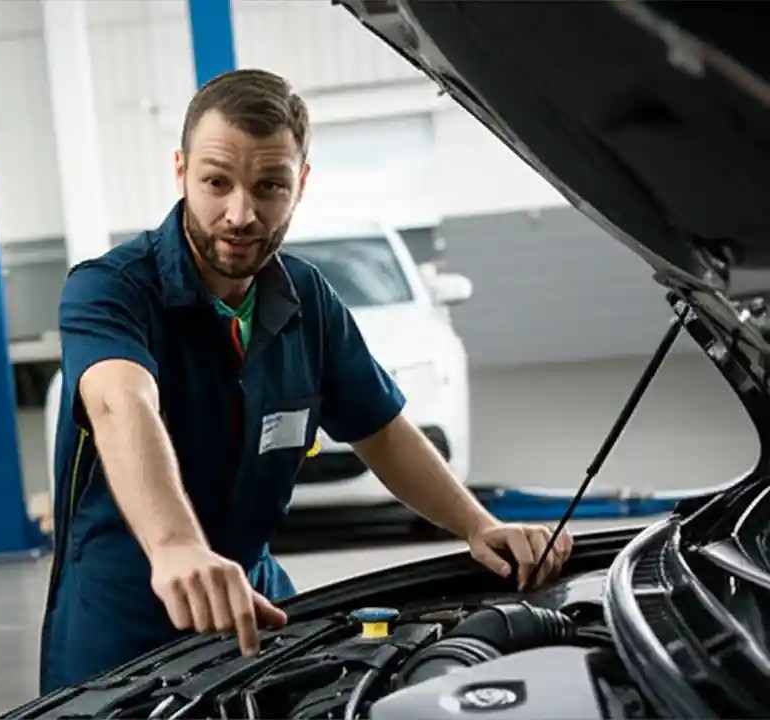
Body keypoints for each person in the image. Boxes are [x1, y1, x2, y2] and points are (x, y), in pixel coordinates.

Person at [39, 68, 574, 693]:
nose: (241, 214)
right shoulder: (110, 290)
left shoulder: (307, 301)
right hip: (122, 626)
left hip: (254, 610)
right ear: (180, 170)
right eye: (216, 183)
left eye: (270, 186)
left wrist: (478, 524)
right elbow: (121, 405)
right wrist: (176, 546)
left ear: (301, 185)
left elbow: (383, 432)